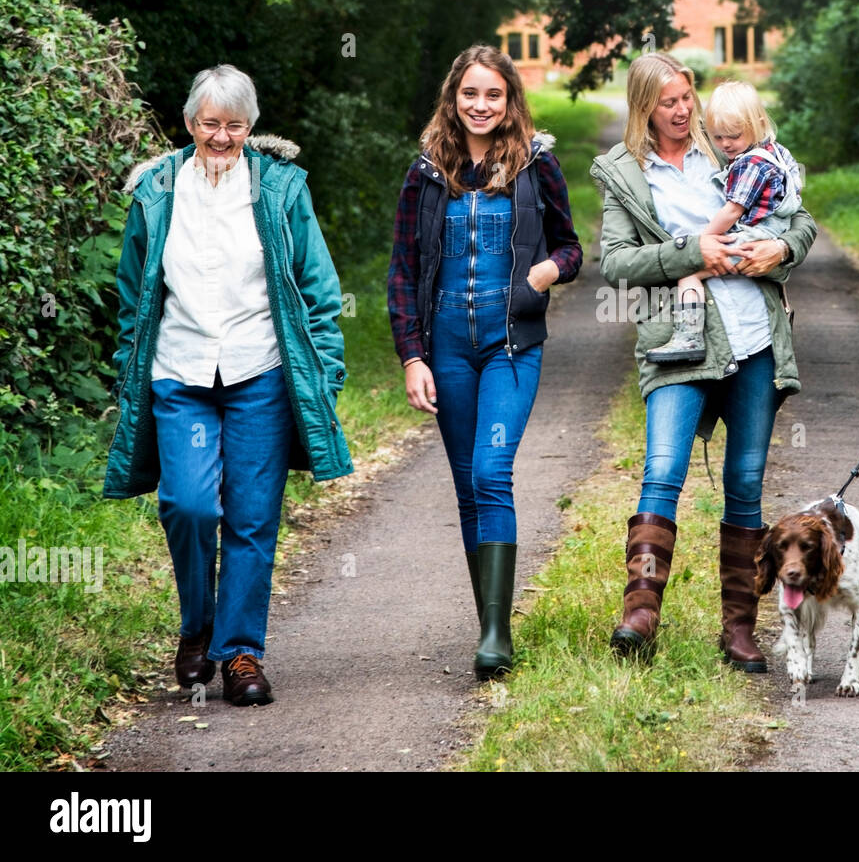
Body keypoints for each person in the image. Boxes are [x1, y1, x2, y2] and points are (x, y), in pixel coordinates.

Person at [104, 64, 352, 707]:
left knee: (251, 516)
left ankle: (241, 653)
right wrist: (130, 362)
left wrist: (324, 371)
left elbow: (320, 291)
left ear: (251, 128)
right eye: (210, 124)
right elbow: (134, 293)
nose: (221, 137)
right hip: (179, 372)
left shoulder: (281, 190)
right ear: (189, 123)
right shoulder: (156, 192)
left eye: (235, 126)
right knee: (189, 505)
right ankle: (197, 628)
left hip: (259, 371)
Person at [592, 52, 818, 671]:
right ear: (643, 107)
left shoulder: (727, 143)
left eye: (686, 97)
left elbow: (800, 222)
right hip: (678, 341)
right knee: (662, 468)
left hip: (752, 336)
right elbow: (614, 262)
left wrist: (780, 247)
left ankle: (739, 629)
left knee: (744, 482)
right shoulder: (625, 173)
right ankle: (640, 612)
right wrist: (694, 252)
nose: (683, 110)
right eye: (668, 102)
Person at [387, 44, 582, 681]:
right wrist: (412, 356)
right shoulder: (424, 172)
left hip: (512, 344)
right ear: (454, 97)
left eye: (493, 95)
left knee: (493, 471)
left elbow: (571, 247)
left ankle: (496, 637)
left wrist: (546, 274)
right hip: (446, 346)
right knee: (468, 483)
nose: (480, 105)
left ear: (509, 101)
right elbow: (403, 273)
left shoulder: (535, 164)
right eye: (470, 94)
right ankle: (487, 622)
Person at [647, 79, 804, 364]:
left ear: (756, 123)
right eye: (718, 137)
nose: (725, 144)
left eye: (733, 135)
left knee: (690, 274)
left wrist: (702, 242)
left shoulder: (751, 164)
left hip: (750, 239)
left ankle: (688, 337)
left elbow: (732, 210)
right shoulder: (777, 152)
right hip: (766, 234)